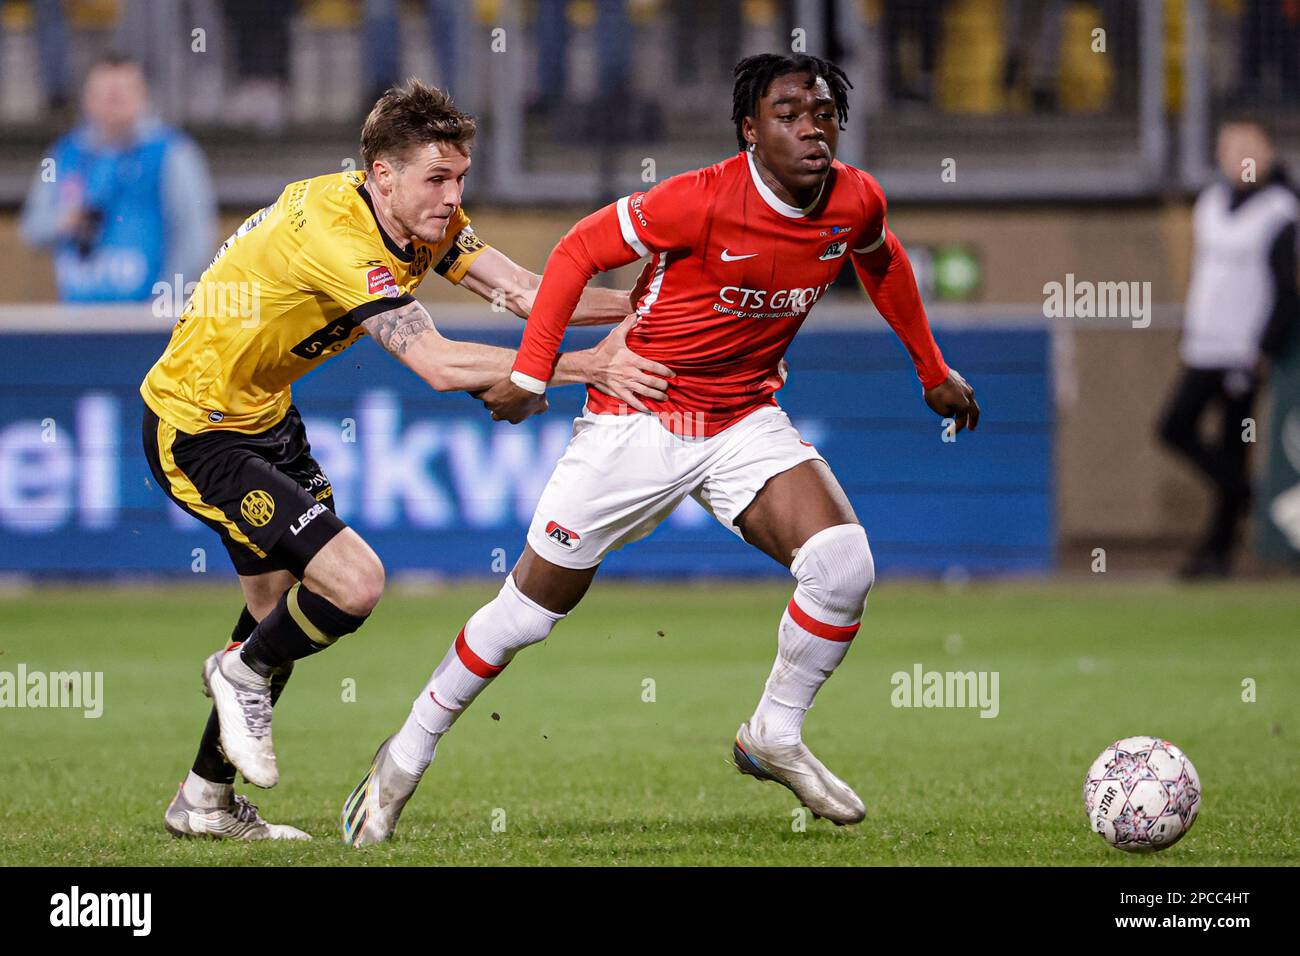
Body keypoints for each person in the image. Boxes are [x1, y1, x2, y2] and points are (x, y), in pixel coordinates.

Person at [341, 54, 979, 846]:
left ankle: (773, 733)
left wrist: (932, 366)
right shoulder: (699, 200)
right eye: (789, 114)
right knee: (526, 616)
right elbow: (577, 249)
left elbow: (880, 260)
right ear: (750, 131)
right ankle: (403, 755)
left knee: (844, 563)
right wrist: (536, 373)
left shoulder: (856, 199)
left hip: (744, 414)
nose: (812, 128)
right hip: (638, 413)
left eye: (823, 114)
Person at [140, 79, 668, 840]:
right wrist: (590, 367)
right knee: (352, 584)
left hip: (267, 419)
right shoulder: (336, 235)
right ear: (382, 175)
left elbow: (523, 291)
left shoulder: (418, 217)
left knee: (273, 614)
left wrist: (655, 307)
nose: (453, 198)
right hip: (197, 426)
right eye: (437, 179)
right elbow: (441, 365)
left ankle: (202, 800)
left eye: (460, 179)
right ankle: (238, 673)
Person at [1158, 117, 1299, 579]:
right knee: (1174, 427)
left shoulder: (1280, 211)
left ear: (1266, 153)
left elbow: (1284, 289)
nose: (1237, 157)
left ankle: (1218, 551)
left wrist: (1263, 347)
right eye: (1228, 148)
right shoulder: (1212, 203)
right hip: (1204, 346)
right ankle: (1244, 494)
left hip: (1242, 351)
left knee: (1233, 442)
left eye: (1247, 148)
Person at [20, 53, 215, 303]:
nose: (112, 105)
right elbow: (32, 229)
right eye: (104, 96)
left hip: (145, 322)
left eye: (120, 96)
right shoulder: (65, 154)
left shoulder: (171, 153)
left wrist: (164, 302)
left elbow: (194, 238)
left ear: (143, 97)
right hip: (76, 319)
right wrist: (65, 220)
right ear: (87, 100)